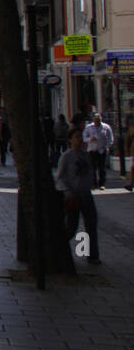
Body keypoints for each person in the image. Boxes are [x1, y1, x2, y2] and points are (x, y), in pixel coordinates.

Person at [58, 127, 101, 264]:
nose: (79, 139)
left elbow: (90, 172)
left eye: (80, 136)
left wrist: (92, 182)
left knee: (91, 224)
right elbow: (60, 177)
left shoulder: (86, 155)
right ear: (70, 140)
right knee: (71, 226)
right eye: (76, 137)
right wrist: (67, 192)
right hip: (73, 196)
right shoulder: (66, 156)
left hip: (86, 194)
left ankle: (92, 255)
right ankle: (59, 248)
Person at [82, 111, 113, 189]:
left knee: (102, 168)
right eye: (95, 120)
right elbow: (84, 138)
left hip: (102, 150)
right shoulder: (88, 127)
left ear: (101, 120)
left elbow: (110, 138)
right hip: (92, 150)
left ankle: (102, 184)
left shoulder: (106, 127)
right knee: (92, 168)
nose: (97, 122)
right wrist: (90, 139)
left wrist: (106, 146)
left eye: (98, 120)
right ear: (93, 120)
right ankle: (93, 184)